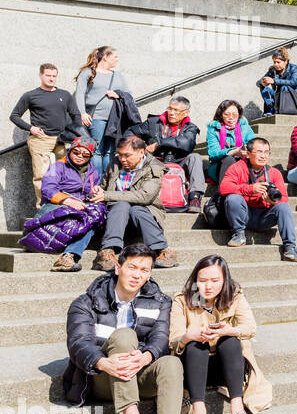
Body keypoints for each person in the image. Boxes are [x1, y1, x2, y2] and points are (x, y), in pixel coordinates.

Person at [64, 242, 185, 414]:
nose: (137, 275)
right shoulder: (85, 302)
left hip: (138, 374)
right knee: (123, 335)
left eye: (144, 270)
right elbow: (78, 343)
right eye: (132, 267)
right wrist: (103, 362)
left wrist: (146, 357)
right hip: (99, 378)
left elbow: (161, 338)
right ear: (118, 267)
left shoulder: (160, 301)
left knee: (172, 363)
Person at [170, 255, 269, 414]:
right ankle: (199, 411)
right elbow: (173, 341)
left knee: (230, 340)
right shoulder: (182, 300)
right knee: (196, 345)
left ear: (224, 280)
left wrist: (227, 330)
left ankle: (237, 406)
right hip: (193, 367)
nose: (208, 286)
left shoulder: (235, 295)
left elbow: (250, 328)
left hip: (226, 367)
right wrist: (188, 336)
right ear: (195, 280)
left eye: (215, 281)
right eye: (202, 281)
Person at [91, 136, 180, 272]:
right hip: (116, 216)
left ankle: (162, 249)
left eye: (127, 155)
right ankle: (108, 251)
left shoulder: (154, 167)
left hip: (144, 215)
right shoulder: (115, 163)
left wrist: (107, 195)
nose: (122, 159)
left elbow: (145, 196)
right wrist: (99, 190)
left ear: (141, 152)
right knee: (121, 205)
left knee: (136, 209)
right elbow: (104, 185)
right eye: (120, 155)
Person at [219, 137, 297, 262]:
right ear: (248, 154)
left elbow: (284, 198)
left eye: (266, 152)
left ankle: (290, 248)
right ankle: (239, 235)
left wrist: (272, 201)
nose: (263, 156)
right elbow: (224, 188)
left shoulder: (274, 172)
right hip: (244, 214)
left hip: (265, 216)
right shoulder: (237, 167)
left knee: (283, 207)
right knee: (233, 198)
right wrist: (250, 189)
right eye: (259, 152)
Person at [11, 62, 78, 205]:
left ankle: (65, 205)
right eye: (48, 75)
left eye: (54, 76)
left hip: (61, 139)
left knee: (66, 174)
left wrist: (72, 132)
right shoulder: (30, 95)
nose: (51, 79)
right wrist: (31, 128)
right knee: (41, 176)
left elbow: (76, 115)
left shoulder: (64, 95)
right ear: (40, 75)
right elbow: (14, 115)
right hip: (40, 140)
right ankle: (42, 208)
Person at [128, 95, 204, 213]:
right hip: (155, 161)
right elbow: (130, 132)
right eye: (170, 108)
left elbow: (186, 143)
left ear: (186, 113)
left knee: (195, 157)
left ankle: (194, 198)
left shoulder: (190, 127)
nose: (171, 113)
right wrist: (139, 146)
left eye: (176, 110)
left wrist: (158, 143)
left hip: (179, 161)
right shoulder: (153, 123)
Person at [37, 136, 102, 272]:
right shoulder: (57, 166)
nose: (80, 156)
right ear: (70, 150)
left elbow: (90, 193)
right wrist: (68, 201)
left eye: (85, 154)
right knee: (86, 219)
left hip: (79, 210)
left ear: (90, 156)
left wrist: (96, 191)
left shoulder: (93, 172)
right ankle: (69, 255)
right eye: (76, 152)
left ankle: (68, 256)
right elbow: (48, 189)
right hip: (55, 206)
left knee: (94, 217)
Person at [74, 45, 127, 177]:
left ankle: (107, 182)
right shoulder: (88, 72)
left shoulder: (118, 76)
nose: (117, 59)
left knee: (110, 151)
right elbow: (79, 94)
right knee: (97, 150)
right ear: (105, 57)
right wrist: (82, 112)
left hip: (115, 119)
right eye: (115, 56)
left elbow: (128, 93)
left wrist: (118, 94)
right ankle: (97, 181)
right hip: (97, 117)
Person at [205, 100, 256, 186]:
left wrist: (247, 151)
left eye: (234, 114)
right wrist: (232, 152)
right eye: (227, 114)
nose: (231, 117)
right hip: (220, 166)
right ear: (221, 115)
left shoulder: (245, 128)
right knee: (229, 159)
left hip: (242, 164)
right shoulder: (213, 130)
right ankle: (225, 192)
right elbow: (213, 153)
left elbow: (254, 145)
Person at [257, 48, 297, 115]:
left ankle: (276, 109)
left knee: (284, 87)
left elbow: (294, 82)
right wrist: (263, 82)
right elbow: (258, 82)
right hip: (280, 97)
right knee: (263, 87)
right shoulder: (273, 70)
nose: (276, 64)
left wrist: (274, 81)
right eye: (274, 62)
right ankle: (272, 108)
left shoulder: (294, 68)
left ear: (285, 61)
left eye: (278, 62)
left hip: (295, 96)